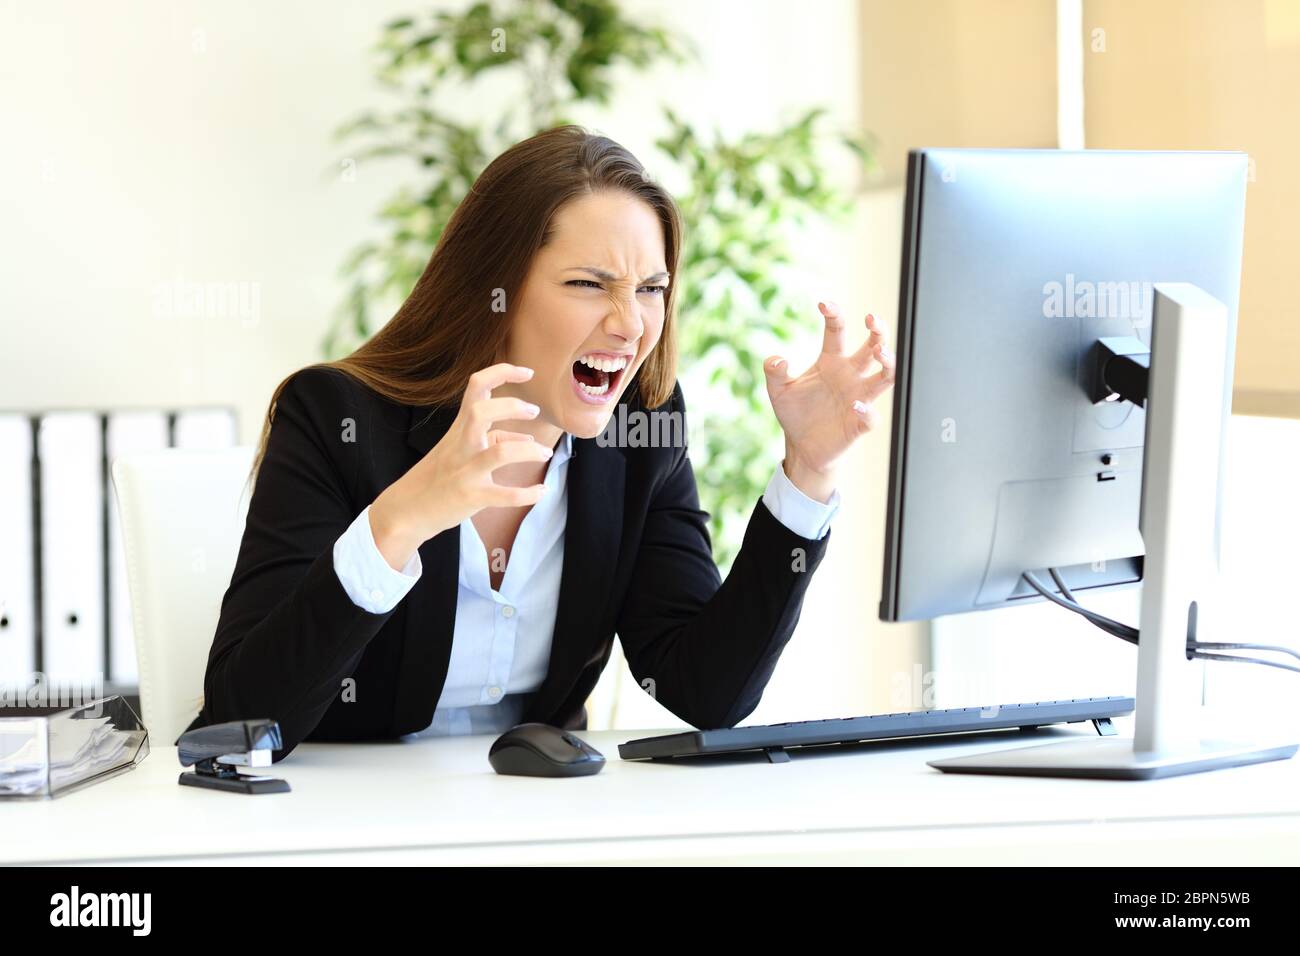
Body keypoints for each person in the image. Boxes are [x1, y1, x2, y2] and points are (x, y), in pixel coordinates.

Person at [185, 125, 894, 760]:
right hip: (340, 832)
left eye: (651, 288)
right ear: (493, 289)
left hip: (536, 821)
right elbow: (246, 716)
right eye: (590, 284)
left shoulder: (640, 430)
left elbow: (704, 690)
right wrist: (402, 518)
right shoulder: (337, 417)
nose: (630, 325)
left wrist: (807, 472)